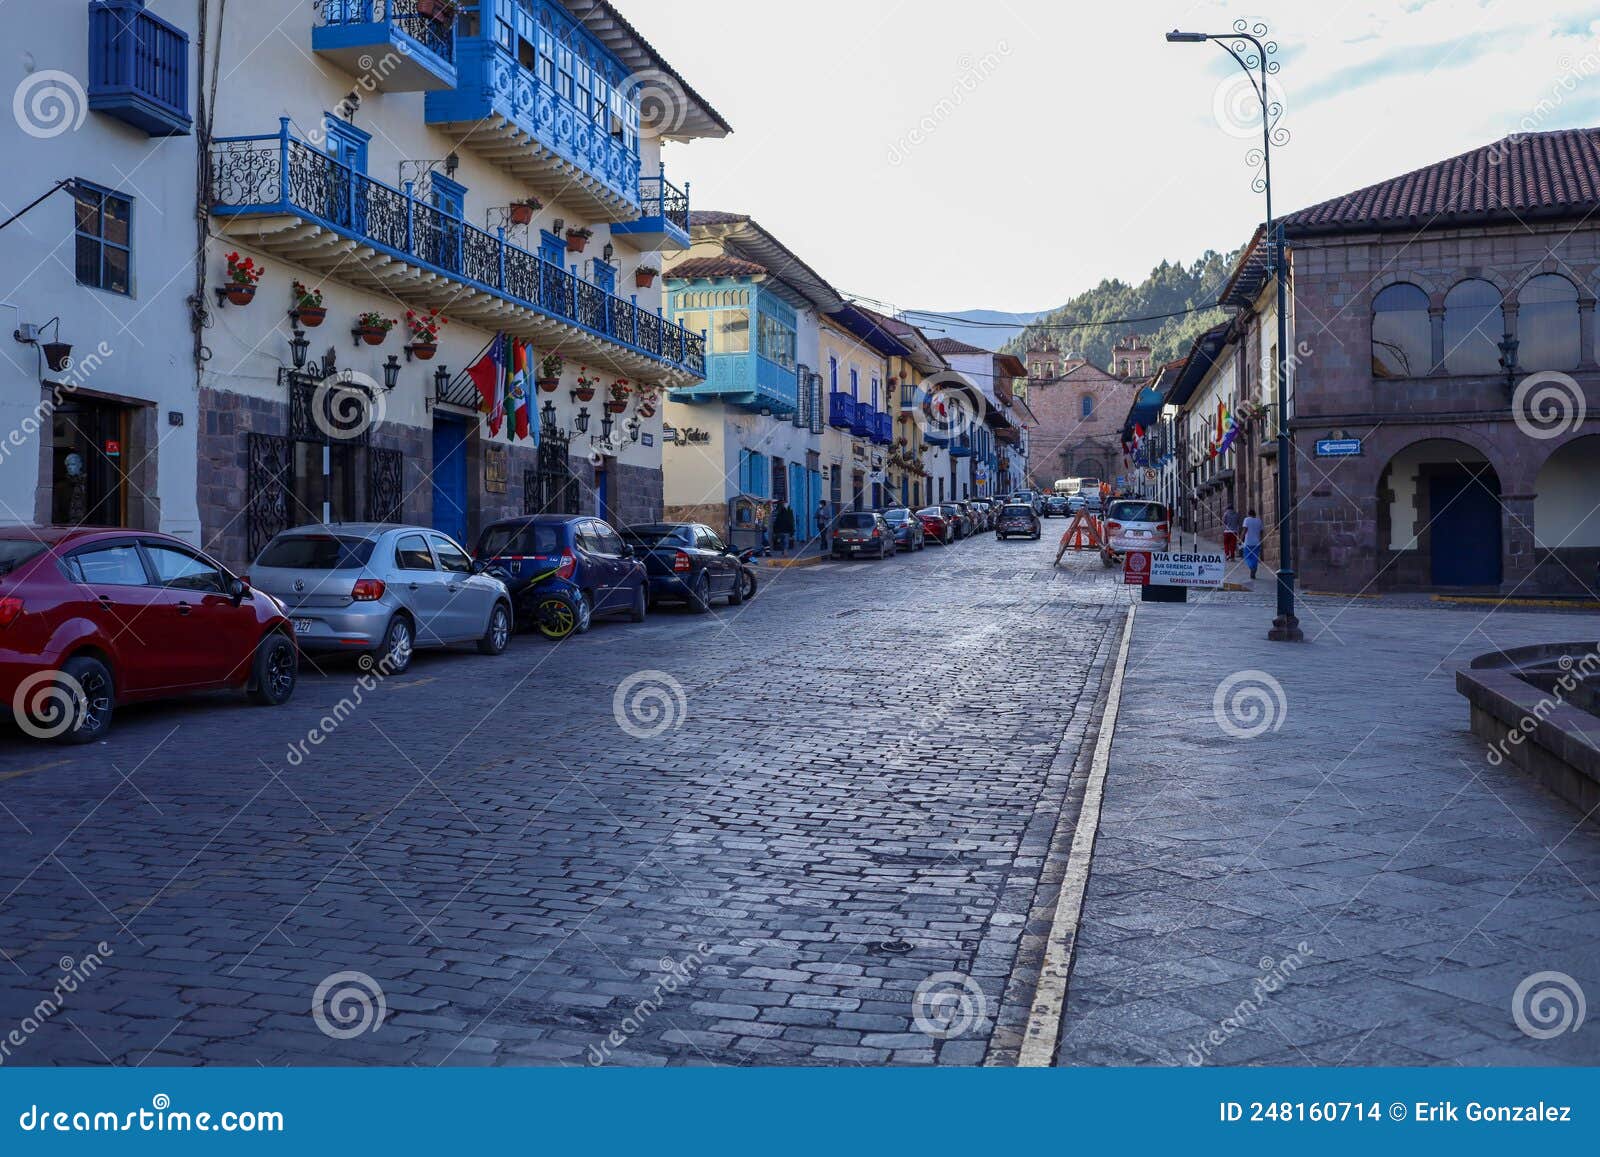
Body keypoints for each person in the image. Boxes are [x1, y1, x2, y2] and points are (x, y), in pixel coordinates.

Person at [1241, 509, 1264, 580]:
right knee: (1255, 557)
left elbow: (1244, 530)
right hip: (1256, 542)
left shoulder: (1246, 520)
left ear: (1248, 514)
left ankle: (1251, 567)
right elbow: (1261, 532)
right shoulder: (1259, 521)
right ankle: (1254, 570)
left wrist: (1240, 539)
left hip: (1248, 542)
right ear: (1255, 514)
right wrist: (1261, 541)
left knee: (1247, 556)